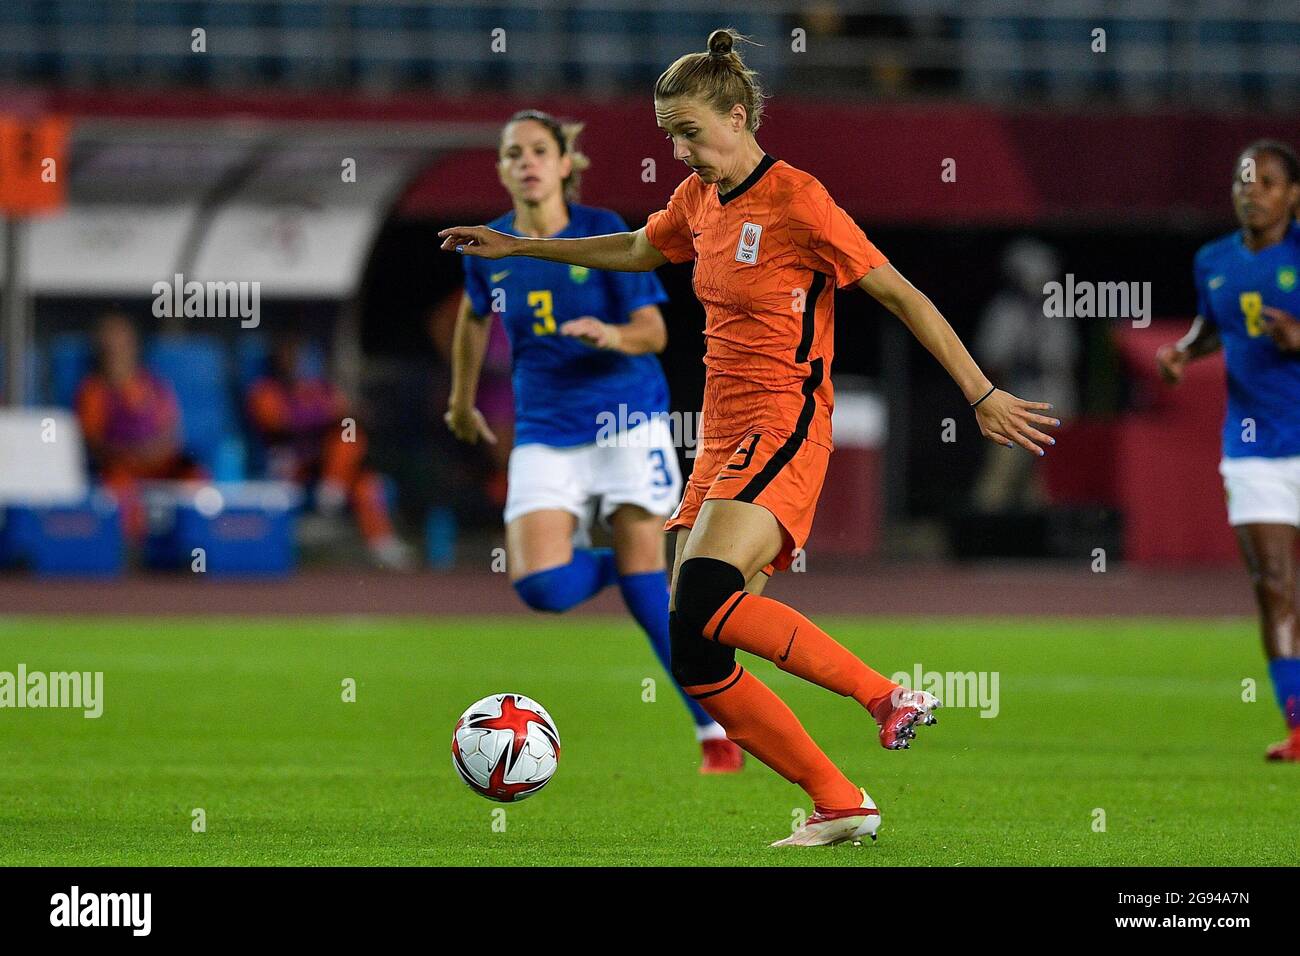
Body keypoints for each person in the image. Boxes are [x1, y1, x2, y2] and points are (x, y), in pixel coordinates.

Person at [440, 30, 1058, 844]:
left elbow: (901, 295)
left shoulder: (799, 199)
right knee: (695, 650)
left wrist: (978, 392)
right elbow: (635, 247)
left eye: (690, 130)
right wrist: (522, 246)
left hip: (787, 419)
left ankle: (885, 695)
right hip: (724, 434)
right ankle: (841, 802)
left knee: (701, 594)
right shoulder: (698, 200)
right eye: (668, 134)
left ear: (738, 116)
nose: (679, 149)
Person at [444, 109, 744, 773]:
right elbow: (472, 318)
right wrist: (462, 401)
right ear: (501, 168)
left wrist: (610, 335)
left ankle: (715, 731)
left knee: (645, 587)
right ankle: (629, 571)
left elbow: (655, 332)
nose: (525, 161)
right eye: (512, 151)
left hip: (626, 422)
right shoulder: (489, 246)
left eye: (537, 150)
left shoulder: (603, 232)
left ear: (561, 164)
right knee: (543, 590)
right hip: (547, 432)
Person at [1157, 139, 1300, 762]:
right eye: (1245, 181)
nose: (1253, 191)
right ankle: (1299, 724)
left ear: (1292, 195)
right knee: (1274, 584)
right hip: (1253, 449)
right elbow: (1215, 326)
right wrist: (1185, 352)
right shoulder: (1213, 260)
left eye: (1267, 181)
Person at [246, 335, 413, 570]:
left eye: (297, 359)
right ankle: (331, 492)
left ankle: (380, 542)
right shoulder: (264, 390)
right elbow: (281, 423)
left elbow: (348, 412)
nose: (294, 364)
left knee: (363, 472)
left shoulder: (317, 389)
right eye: (287, 359)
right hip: (290, 466)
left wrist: (342, 413)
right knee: (340, 433)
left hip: (324, 465)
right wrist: (326, 414)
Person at [75, 311, 204, 541]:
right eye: (109, 342)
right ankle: (133, 549)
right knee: (118, 487)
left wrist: (152, 453)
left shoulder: (155, 385)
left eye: (121, 341)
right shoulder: (92, 391)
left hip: (158, 462)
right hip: (120, 466)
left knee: (195, 476)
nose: (116, 348)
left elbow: (172, 433)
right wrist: (129, 455)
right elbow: (92, 442)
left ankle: (190, 544)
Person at [972, 237, 1076, 513]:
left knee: (1048, 481)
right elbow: (991, 361)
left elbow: (1066, 361)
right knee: (1000, 476)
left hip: (1054, 402)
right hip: (1016, 402)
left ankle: (1043, 544)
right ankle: (985, 536)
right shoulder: (1004, 311)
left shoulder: (1056, 311)